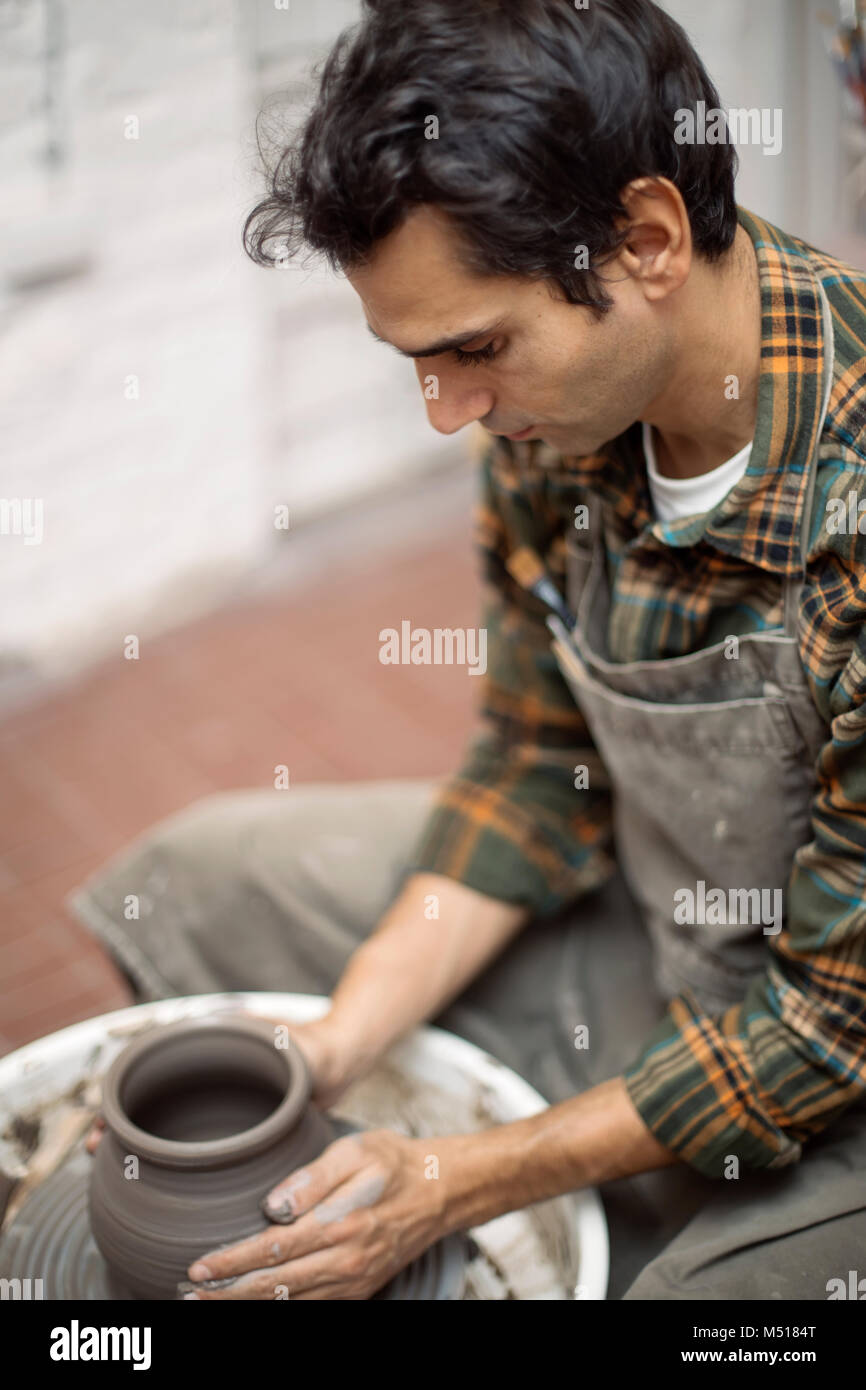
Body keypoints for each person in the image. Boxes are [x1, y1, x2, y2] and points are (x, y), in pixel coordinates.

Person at [71, 0, 866, 1300]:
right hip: (655, 925)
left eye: (474, 350)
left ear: (647, 239)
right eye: (415, 363)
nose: (449, 414)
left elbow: (826, 1028)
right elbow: (529, 772)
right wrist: (337, 1045)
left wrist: (459, 1176)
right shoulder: (553, 426)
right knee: (198, 876)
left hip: (833, 1055)